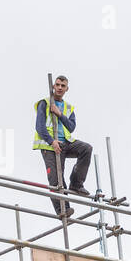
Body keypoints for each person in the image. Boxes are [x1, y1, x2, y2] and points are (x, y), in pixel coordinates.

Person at [33, 75, 92, 217]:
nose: (59, 87)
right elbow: (39, 127)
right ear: (53, 86)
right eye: (57, 84)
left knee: (86, 148)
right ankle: (62, 210)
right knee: (56, 179)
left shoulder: (68, 107)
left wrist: (59, 114)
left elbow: (71, 127)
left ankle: (76, 184)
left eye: (63, 86)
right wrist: (51, 141)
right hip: (49, 146)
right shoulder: (45, 103)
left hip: (66, 143)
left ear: (67, 89)